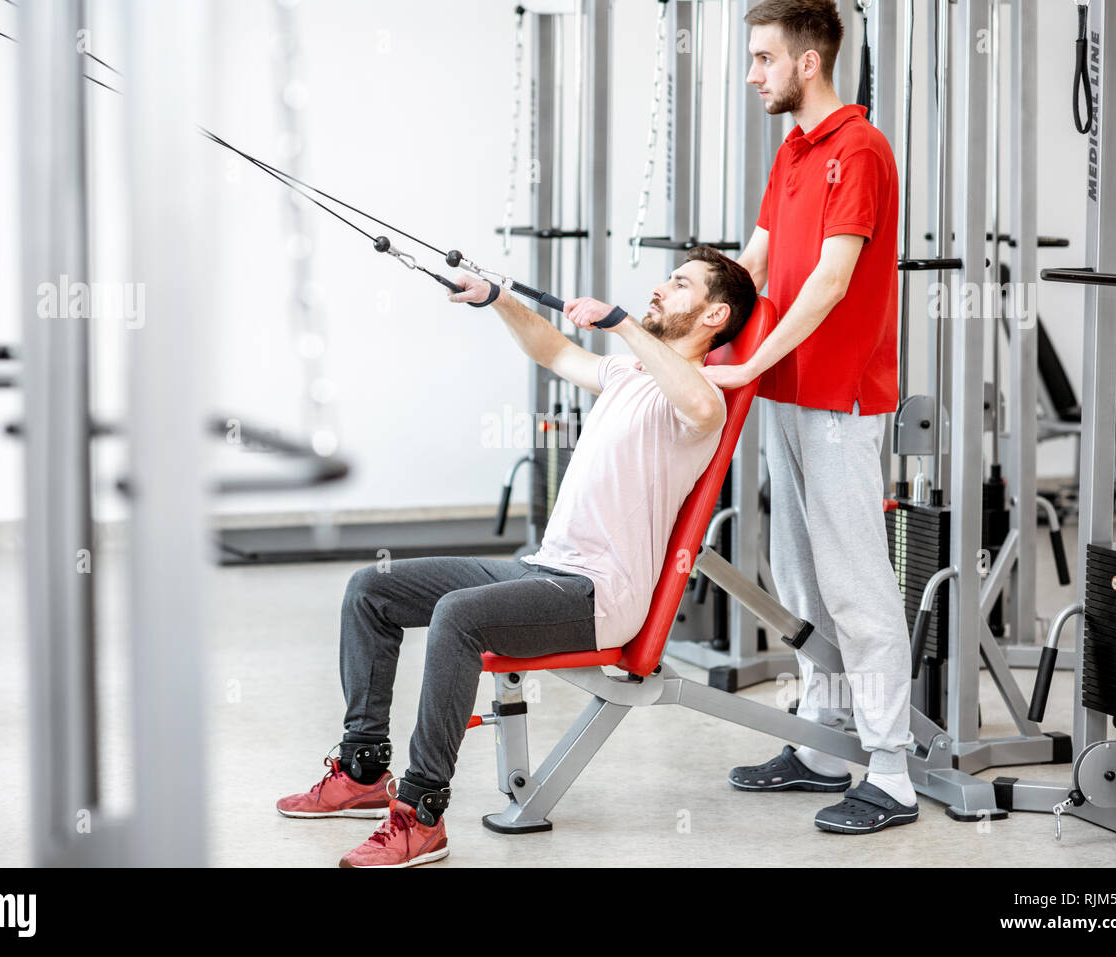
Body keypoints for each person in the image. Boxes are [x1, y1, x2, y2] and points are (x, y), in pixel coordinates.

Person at [276, 246, 757, 867]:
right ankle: (363, 770)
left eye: (680, 283)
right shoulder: (626, 375)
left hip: (596, 596)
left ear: (715, 314)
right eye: (666, 278)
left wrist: (624, 325)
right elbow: (554, 350)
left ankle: (422, 814)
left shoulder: (700, 402)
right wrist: (499, 300)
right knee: (374, 587)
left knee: (457, 615)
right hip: (544, 567)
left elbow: (694, 402)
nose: (662, 289)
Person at [708, 0, 917, 834]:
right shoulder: (791, 150)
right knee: (800, 582)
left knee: (857, 586)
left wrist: (751, 362)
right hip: (786, 397)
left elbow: (831, 282)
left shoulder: (860, 151)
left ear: (807, 62)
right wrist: (690, 309)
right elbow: (755, 262)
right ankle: (828, 744)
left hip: (839, 403)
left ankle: (893, 771)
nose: (752, 73)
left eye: (763, 58)